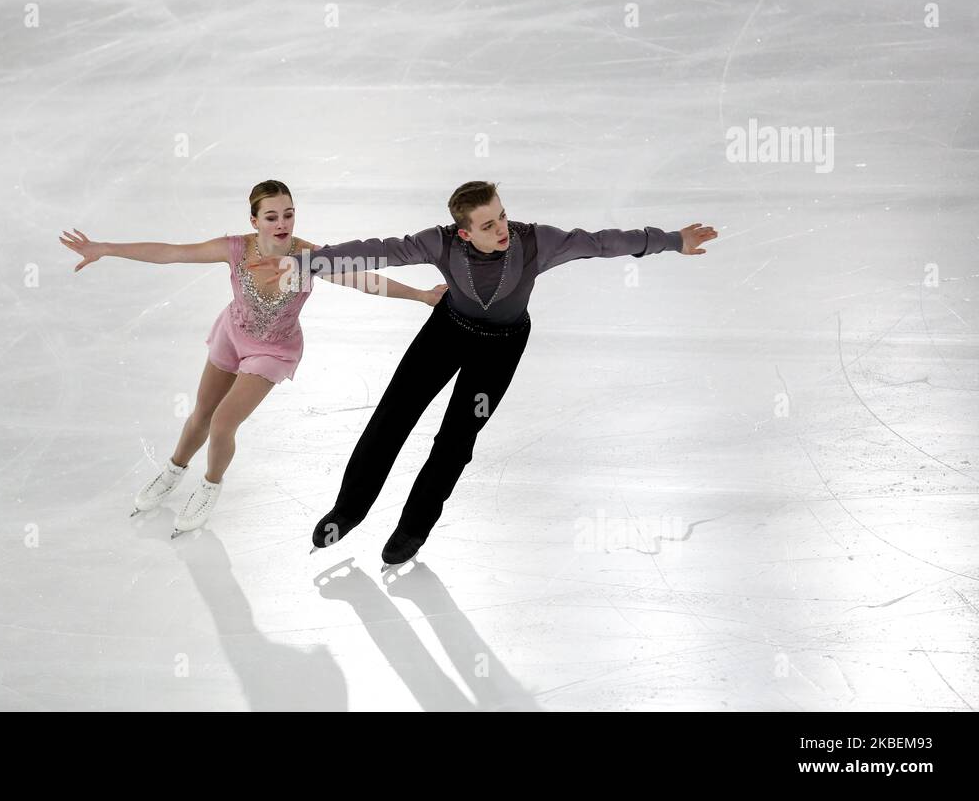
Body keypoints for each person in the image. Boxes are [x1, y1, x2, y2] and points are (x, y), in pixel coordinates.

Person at [249, 180, 717, 566]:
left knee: (456, 440)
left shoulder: (537, 241)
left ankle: (413, 527)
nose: (502, 229)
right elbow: (379, 251)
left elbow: (601, 243)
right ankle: (348, 510)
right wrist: (304, 262)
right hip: (447, 331)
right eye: (489, 224)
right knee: (392, 417)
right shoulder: (440, 243)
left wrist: (672, 241)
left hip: (501, 347)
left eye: (502, 216)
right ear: (465, 233)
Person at [59, 180, 446, 538]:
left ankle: (210, 485)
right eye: (272, 216)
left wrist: (421, 295)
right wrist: (106, 248)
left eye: (289, 214)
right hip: (233, 334)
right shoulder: (237, 248)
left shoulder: (311, 257)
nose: (282, 224)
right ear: (254, 220)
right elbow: (173, 253)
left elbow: (366, 279)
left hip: (273, 350)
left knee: (224, 421)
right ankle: (174, 469)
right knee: (202, 414)